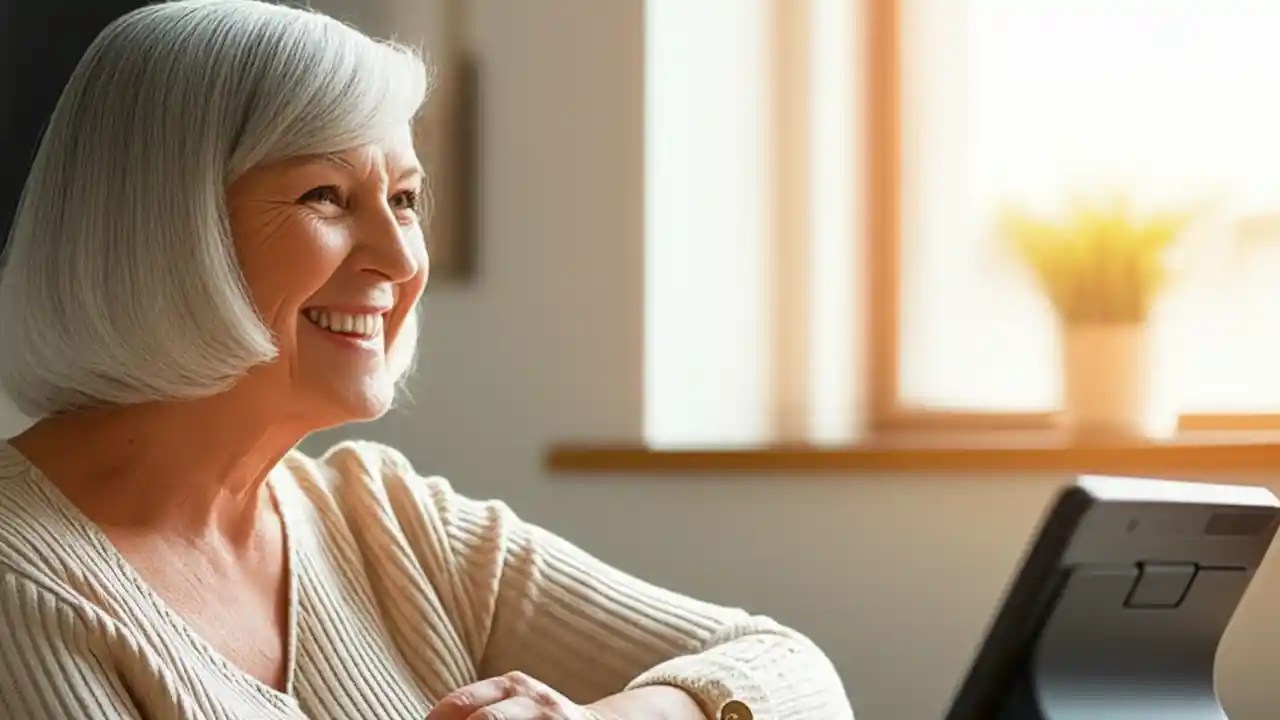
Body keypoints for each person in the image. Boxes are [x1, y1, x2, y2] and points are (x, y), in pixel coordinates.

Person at [0, 1, 853, 719]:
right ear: (164, 232)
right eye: (325, 195)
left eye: (403, 199)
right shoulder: (25, 582)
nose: (401, 259)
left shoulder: (388, 519)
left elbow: (792, 674)